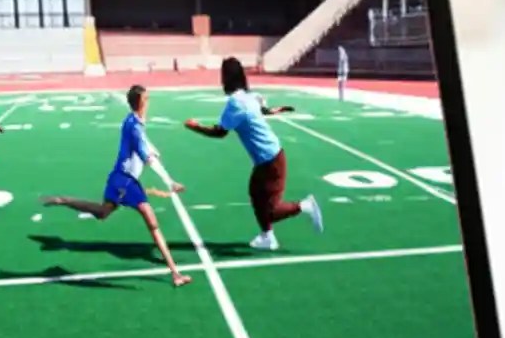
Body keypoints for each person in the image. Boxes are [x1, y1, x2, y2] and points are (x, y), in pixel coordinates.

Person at [41, 85, 193, 288]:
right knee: (153, 225)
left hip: (118, 178)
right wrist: (170, 181)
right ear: (141, 102)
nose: (149, 102)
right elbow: (145, 155)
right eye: (147, 99)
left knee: (102, 212)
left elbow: (141, 143)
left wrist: (152, 149)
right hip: (127, 182)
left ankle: (64, 200)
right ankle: (175, 274)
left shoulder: (131, 121)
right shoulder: (135, 126)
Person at [184, 57, 322, 251]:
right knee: (256, 194)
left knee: (270, 210)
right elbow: (263, 109)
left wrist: (195, 127)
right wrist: (277, 109)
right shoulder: (249, 96)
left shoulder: (235, 103)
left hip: (270, 160)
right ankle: (267, 236)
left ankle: (304, 206)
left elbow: (220, 132)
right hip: (269, 157)